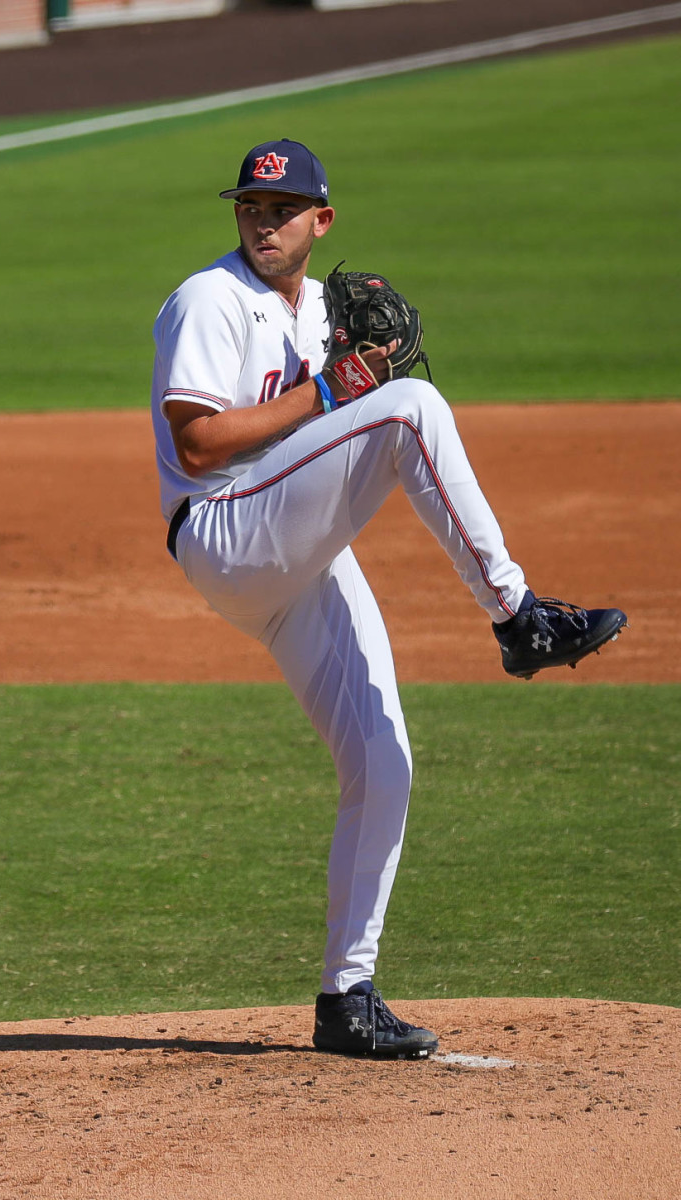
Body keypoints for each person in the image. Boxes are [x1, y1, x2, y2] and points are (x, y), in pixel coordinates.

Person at [150, 138, 627, 1059]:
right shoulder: (208, 299)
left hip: (292, 558)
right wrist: (335, 388)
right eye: (250, 205)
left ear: (320, 222)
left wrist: (344, 378)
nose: (263, 221)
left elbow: (354, 391)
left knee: (385, 760)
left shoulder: (319, 308)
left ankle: (348, 997)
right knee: (409, 405)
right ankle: (519, 615)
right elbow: (202, 444)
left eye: (282, 210)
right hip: (225, 532)